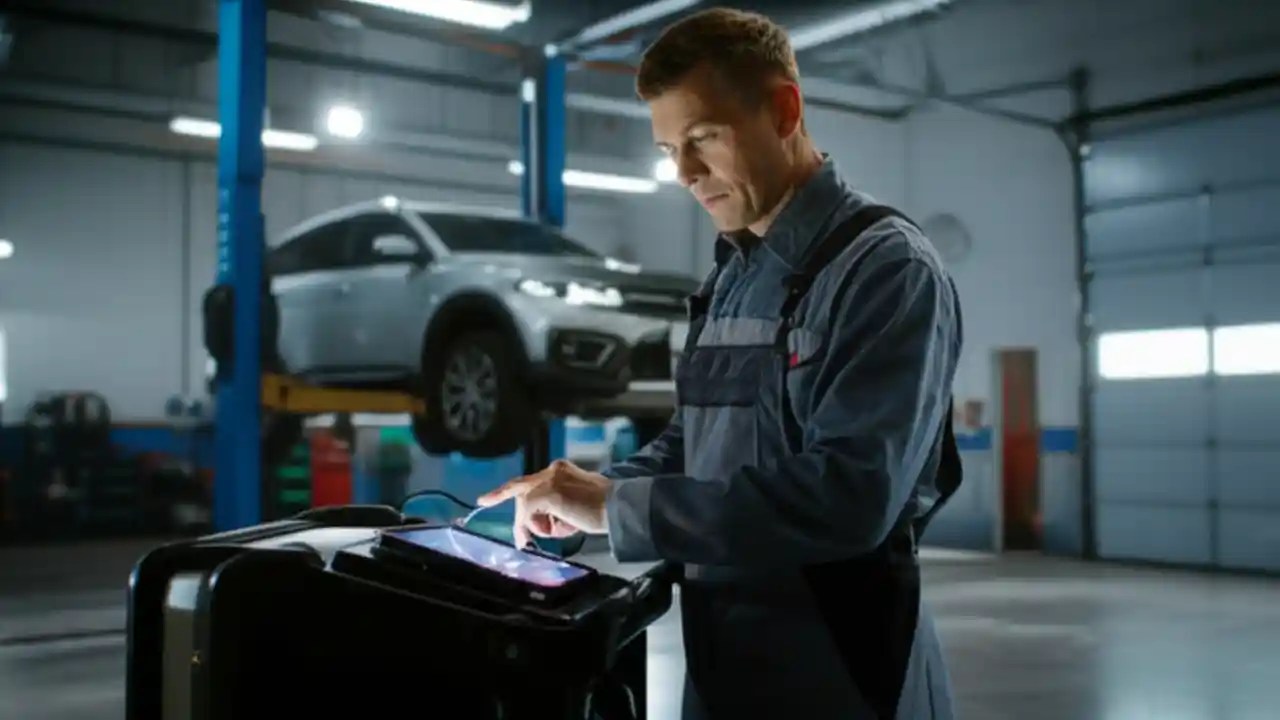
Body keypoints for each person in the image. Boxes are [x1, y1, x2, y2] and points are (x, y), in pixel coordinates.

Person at [478, 8, 962, 719]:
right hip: (725, 667)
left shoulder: (886, 270)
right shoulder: (733, 276)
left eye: (702, 137)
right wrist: (586, 492)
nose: (683, 172)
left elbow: (849, 495)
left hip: (843, 675)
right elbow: (692, 448)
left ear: (783, 109)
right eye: (671, 147)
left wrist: (618, 508)